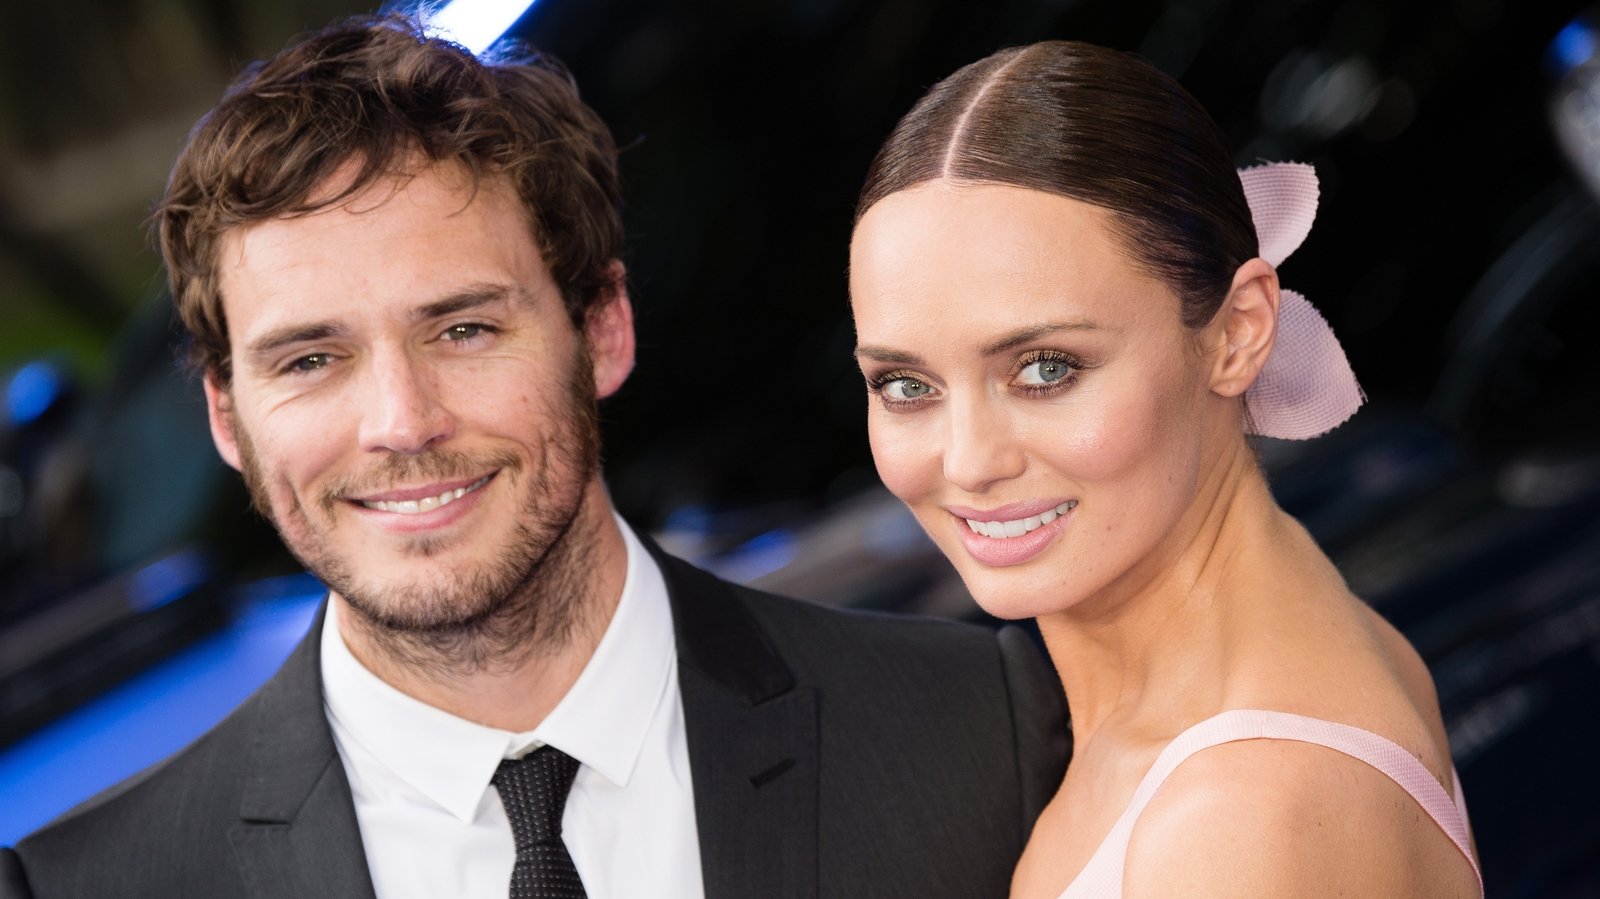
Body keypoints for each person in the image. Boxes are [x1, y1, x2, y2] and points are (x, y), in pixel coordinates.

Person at [0, 15, 1070, 899]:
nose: (401, 421)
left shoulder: (985, 731)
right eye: (311, 359)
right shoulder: (84, 886)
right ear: (227, 417)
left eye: (463, 329)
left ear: (602, 327)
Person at [848, 41, 1482, 897]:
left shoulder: (1236, 823)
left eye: (1045, 369)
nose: (968, 459)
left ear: (1238, 331)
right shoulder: (1292, 659)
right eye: (906, 385)